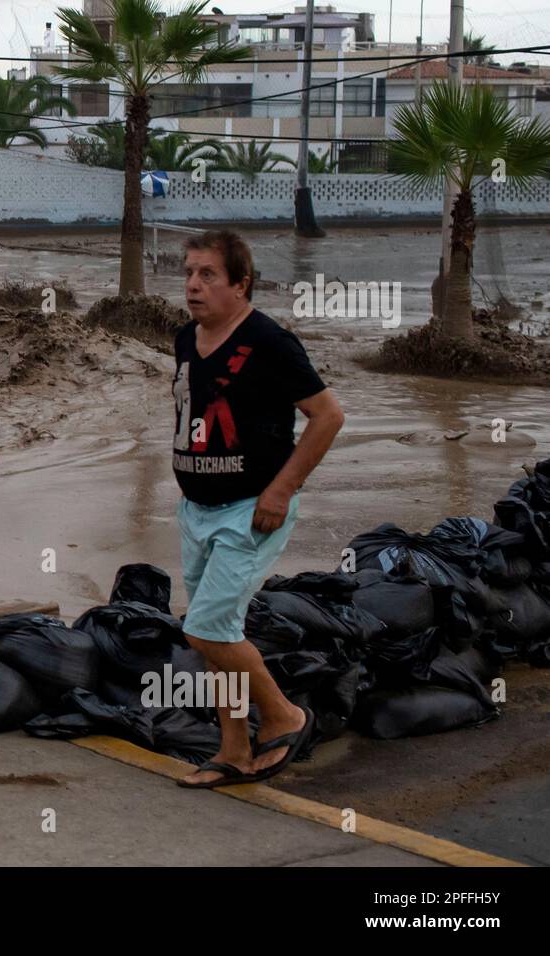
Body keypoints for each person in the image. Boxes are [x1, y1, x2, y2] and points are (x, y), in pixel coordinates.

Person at [172, 231, 345, 788]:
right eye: (190, 273)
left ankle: (284, 716)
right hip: (196, 509)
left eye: (208, 276)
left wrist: (281, 490)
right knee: (219, 636)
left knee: (206, 630)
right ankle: (232, 749)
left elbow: (328, 416)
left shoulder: (271, 341)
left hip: (250, 510)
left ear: (241, 285)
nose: (194, 285)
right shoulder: (185, 339)